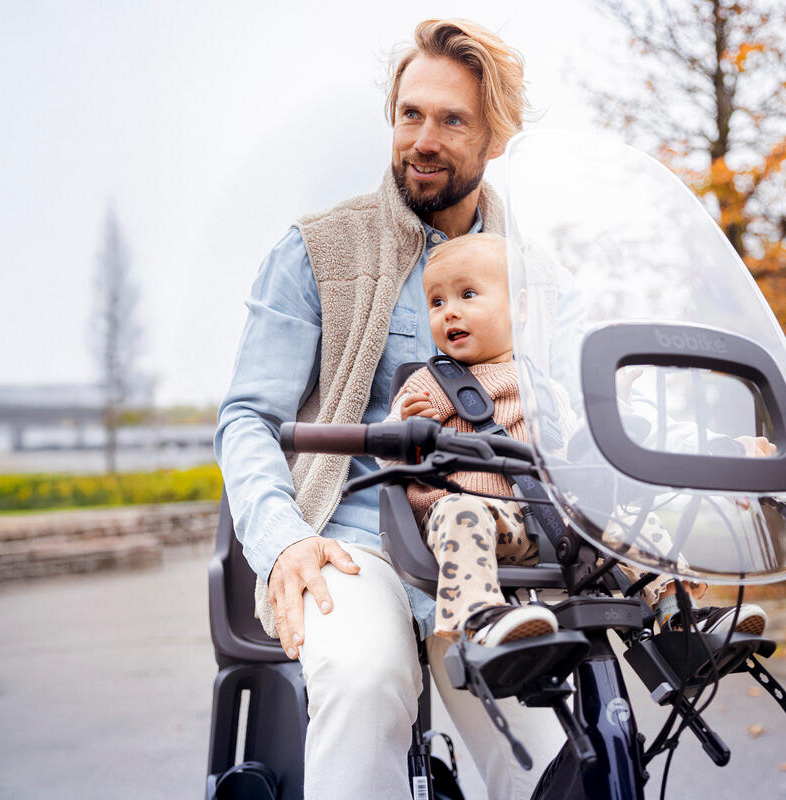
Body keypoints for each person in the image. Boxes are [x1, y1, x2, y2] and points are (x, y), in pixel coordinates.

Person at [215, 18, 572, 800]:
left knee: (557, 756)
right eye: (411, 114)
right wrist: (282, 543)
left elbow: (589, 405)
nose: (424, 138)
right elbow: (247, 418)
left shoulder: (537, 274)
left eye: (452, 119)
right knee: (364, 676)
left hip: (495, 550)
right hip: (352, 540)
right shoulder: (316, 249)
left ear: (497, 138)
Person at [388, 232, 768, 644]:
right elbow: (387, 456)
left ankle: (681, 617)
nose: (450, 313)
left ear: (520, 308)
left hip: (551, 519)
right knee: (457, 511)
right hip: (479, 517)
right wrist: (407, 429)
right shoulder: (428, 383)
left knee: (630, 519)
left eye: (468, 294)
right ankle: (481, 616)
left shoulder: (546, 387)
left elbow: (577, 454)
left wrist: (617, 406)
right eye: (437, 302)